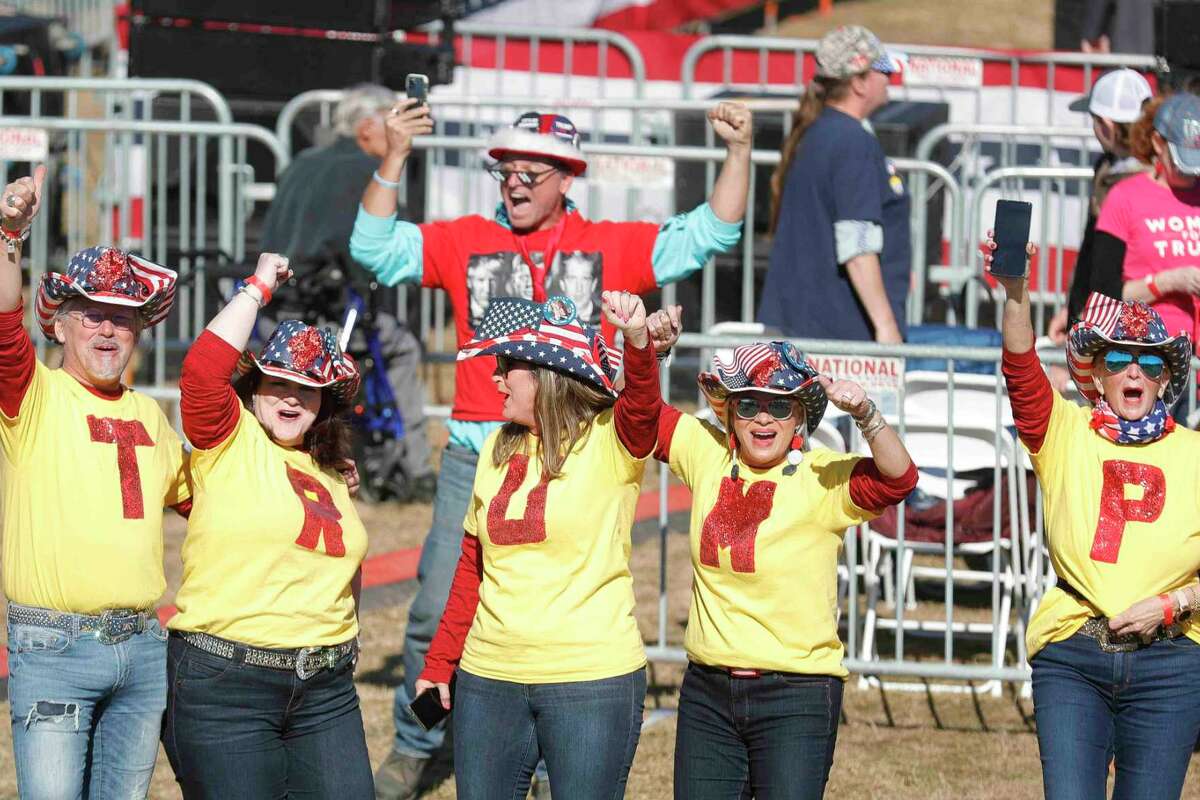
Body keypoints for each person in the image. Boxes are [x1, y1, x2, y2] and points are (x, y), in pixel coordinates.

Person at [351, 100, 753, 796]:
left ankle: (544, 755)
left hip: (579, 449)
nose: (514, 183)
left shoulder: (611, 243)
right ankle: (417, 745)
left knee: (565, 592)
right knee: (435, 604)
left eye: (532, 172)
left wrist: (740, 151)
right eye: (505, 170)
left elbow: (712, 231)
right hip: (480, 449)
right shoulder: (465, 238)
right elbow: (373, 247)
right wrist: (394, 154)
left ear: (568, 178)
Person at [639, 319, 916, 799]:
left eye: (780, 406)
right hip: (709, 690)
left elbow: (899, 479)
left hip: (798, 693)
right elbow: (643, 419)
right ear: (730, 414)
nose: (763, 419)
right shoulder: (706, 453)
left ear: (798, 417)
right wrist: (645, 350)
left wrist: (865, 413)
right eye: (748, 404)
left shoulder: (821, 476)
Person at [412, 290, 659, 799]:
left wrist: (637, 340)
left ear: (547, 375)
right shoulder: (494, 448)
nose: (495, 377)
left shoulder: (611, 439)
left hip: (590, 679)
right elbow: (472, 567)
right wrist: (440, 663)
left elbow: (642, 405)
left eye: (508, 366)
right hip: (488, 676)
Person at [988, 233, 1200, 799]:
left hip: (1172, 660)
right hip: (1074, 652)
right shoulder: (1064, 430)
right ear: (1097, 375)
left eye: (1149, 362)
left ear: (1164, 379)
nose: (1134, 372)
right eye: (1118, 360)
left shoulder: (1195, 453)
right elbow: (1020, 368)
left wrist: (1174, 603)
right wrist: (1016, 291)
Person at [1, 169, 190, 798]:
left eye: (122, 318)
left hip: (142, 649)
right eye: (91, 315)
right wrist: (9, 236)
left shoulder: (150, 414)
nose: (107, 330)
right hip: (54, 646)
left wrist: (316, 464)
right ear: (58, 326)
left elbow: (209, 500)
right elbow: (3, 322)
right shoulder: (33, 397)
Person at [162, 253, 372, 798]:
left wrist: (349, 637)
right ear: (254, 388)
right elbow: (202, 370)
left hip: (325, 689)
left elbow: (345, 565)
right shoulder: (227, 438)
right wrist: (257, 288)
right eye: (278, 381)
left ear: (324, 402)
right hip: (226, 683)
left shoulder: (330, 470)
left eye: (308, 388)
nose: (291, 396)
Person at [262, 82, 435, 503]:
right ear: (366, 128)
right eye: (391, 124)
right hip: (331, 311)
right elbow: (367, 254)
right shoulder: (366, 173)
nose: (398, 135)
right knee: (402, 348)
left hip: (279, 309)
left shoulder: (301, 162)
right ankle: (417, 469)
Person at [760, 24, 909, 343]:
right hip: (841, 336)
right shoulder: (852, 142)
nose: (890, 79)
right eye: (884, 71)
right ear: (859, 82)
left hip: (804, 325)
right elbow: (857, 247)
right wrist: (886, 327)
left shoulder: (816, 132)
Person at [1090, 94, 1200, 346]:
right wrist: (1169, 281)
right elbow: (1104, 294)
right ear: (1158, 143)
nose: (1192, 174)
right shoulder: (1124, 197)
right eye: (1183, 163)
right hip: (1146, 351)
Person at [1054, 68, 1153, 332]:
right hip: (1097, 312)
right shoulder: (1107, 167)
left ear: (1107, 125)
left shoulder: (1149, 180)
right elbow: (1092, 248)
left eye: (1095, 120)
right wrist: (1073, 307)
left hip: (1129, 325)